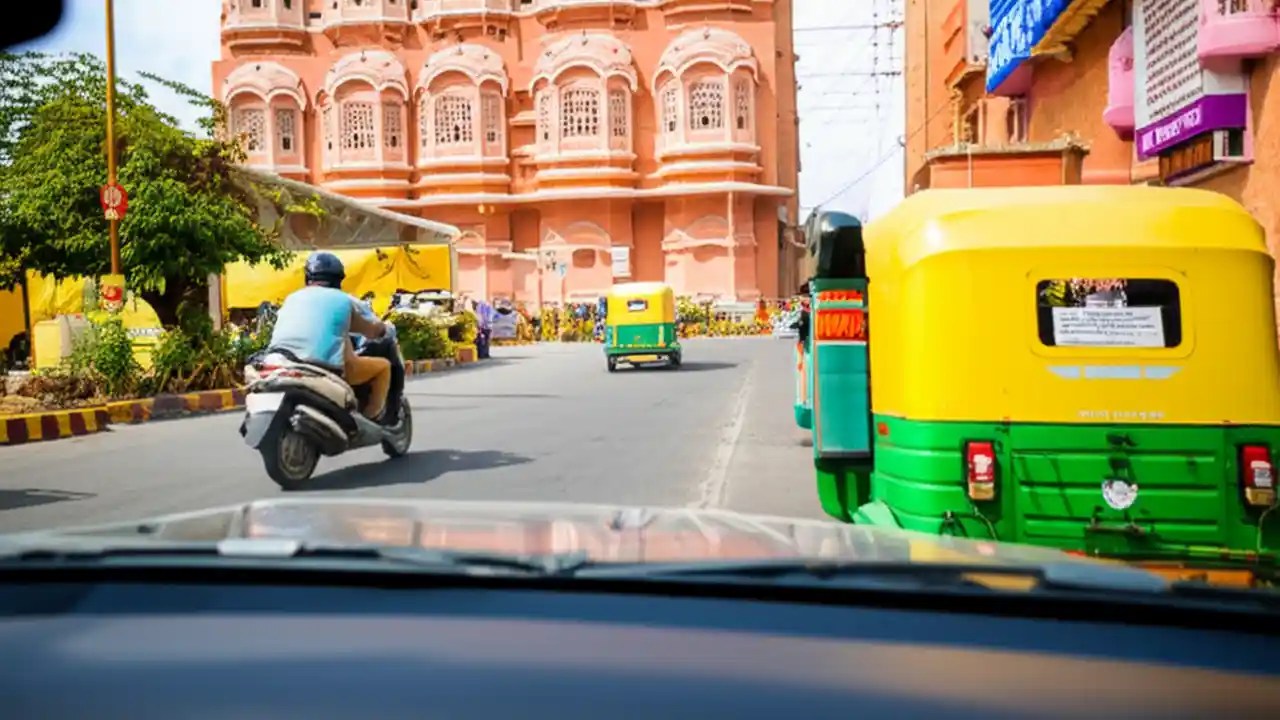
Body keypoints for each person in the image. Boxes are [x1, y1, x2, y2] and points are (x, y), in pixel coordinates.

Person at [267, 252, 397, 422]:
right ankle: (372, 417)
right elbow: (372, 329)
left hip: (279, 361)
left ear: (307, 277)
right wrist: (385, 330)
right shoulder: (344, 300)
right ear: (339, 279)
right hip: (324, 366)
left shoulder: (291, 299)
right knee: (384, 366)